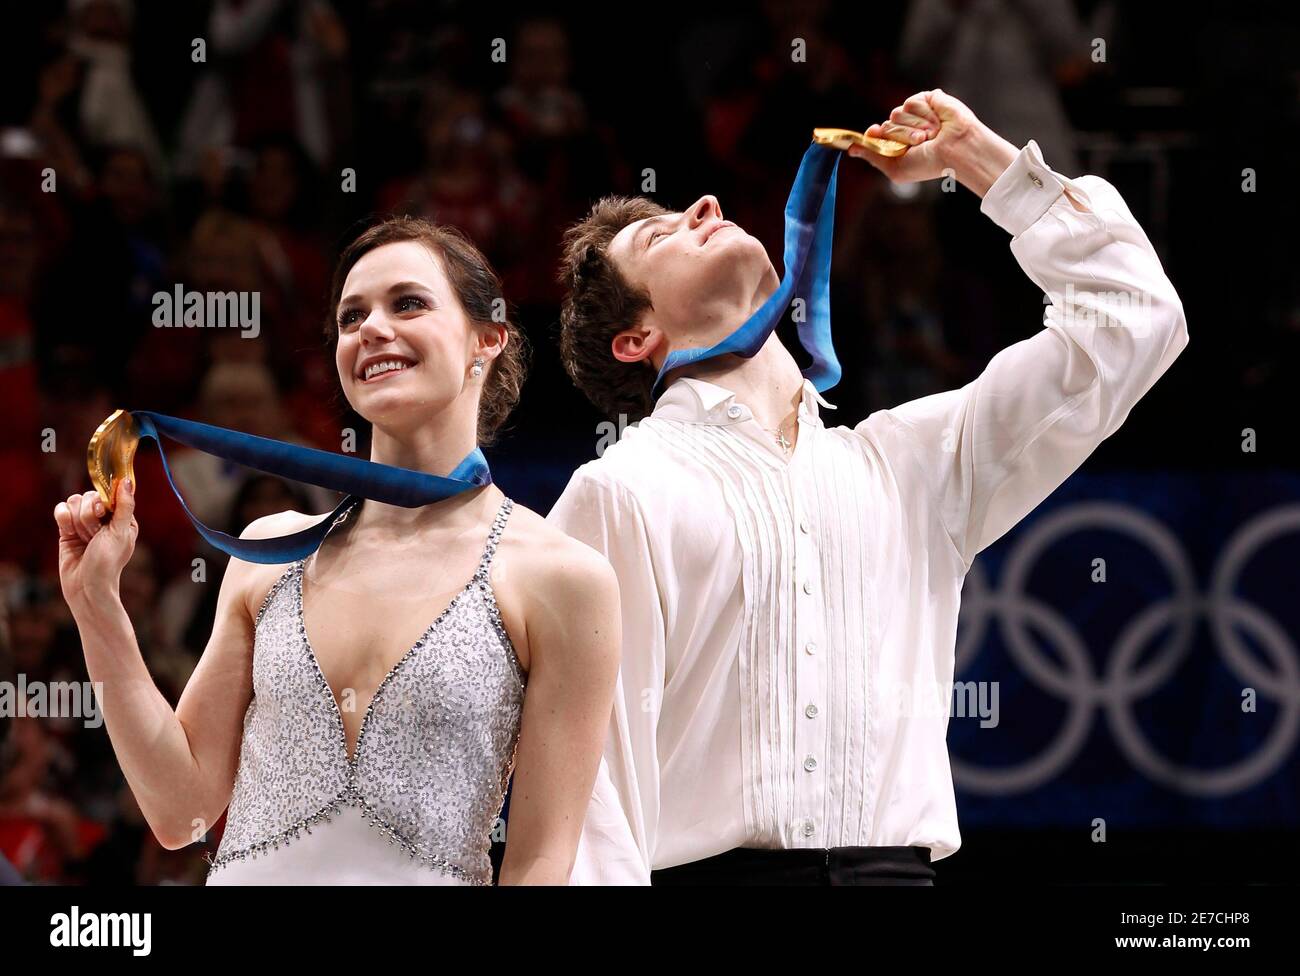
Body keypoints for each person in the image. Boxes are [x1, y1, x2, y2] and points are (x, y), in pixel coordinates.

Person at [550, 88, 1189, 885]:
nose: (704, 205)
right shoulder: (618, 492)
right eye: (660, 233)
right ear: (635, 338)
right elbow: (594, 798)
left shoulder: (911, 465)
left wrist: (975, 161)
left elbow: (1134, 319)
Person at [53, 216, 625, 885]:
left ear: (486, 339)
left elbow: (539, 863)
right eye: (352, 317)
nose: (371, 329)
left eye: (407, 303)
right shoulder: (270, 550)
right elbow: (180, 812)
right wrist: (96, 607)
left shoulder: (561, 577)